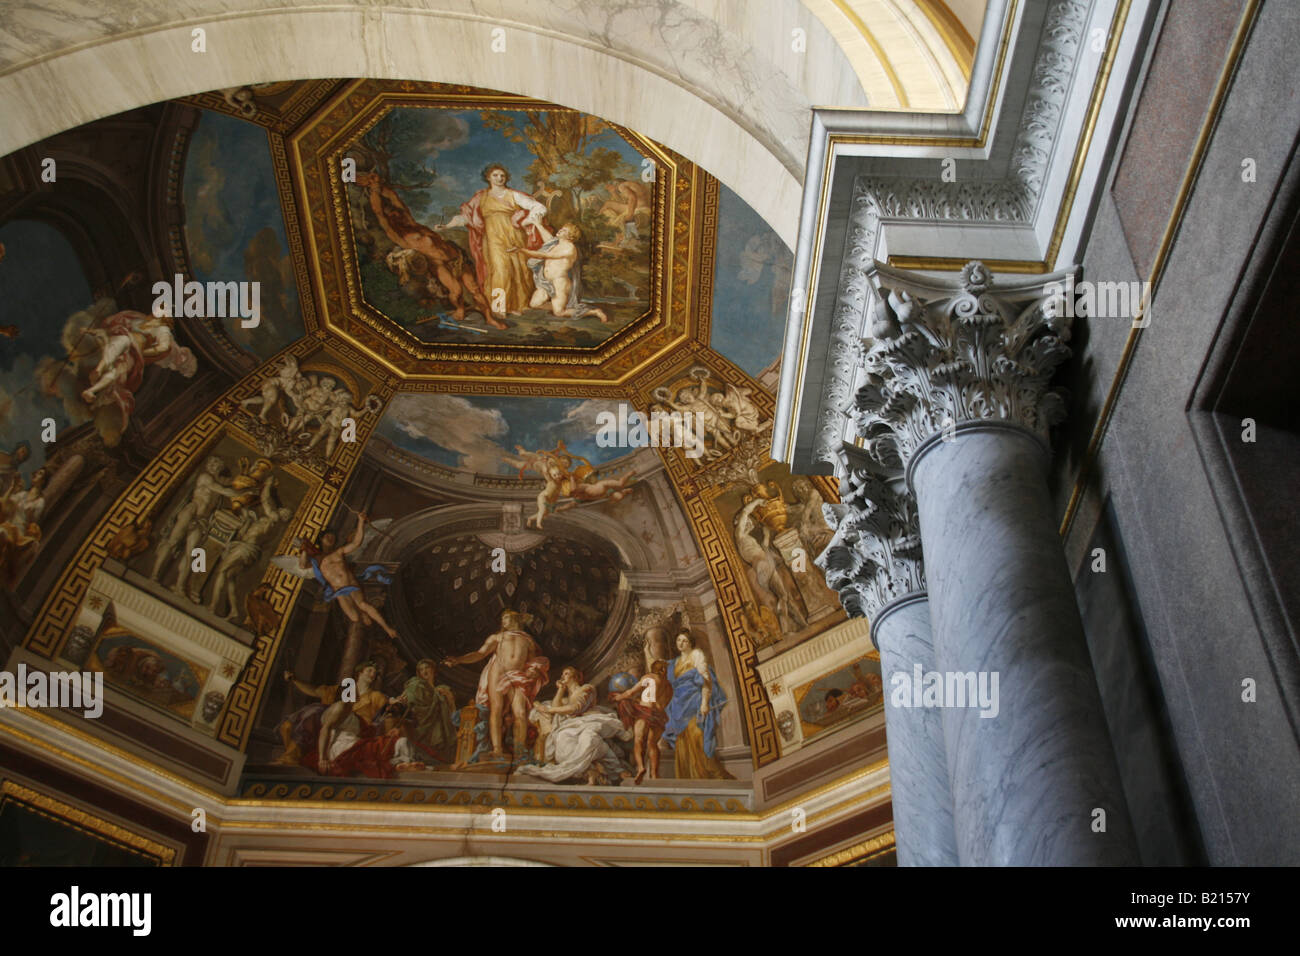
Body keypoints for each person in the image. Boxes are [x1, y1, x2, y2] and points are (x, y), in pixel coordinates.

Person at [358, 171, 502, 328]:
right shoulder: (399, 237)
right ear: (391, 222)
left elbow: (395, 200)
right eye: (394, 216)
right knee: (457, 291)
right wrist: (374, 191)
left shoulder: (413, 224)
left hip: (456, 257)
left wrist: (378, 185)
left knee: (475, 289)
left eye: (399, 214)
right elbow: (379, 214)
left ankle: (489, 318)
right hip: (439, 265)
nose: (399, 216)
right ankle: (459, 308)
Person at [440, 164, 549, 316]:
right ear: (488, 178)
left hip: (514, 235)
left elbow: (539, 208)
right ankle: (498, 307)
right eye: (495, 175)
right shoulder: (481, 197)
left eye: (502, 175)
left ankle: (515, 306)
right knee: (500, 270)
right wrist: (448, 225)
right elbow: (466, 216)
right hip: (492, 237)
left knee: (519, 270)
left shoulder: (513, 195)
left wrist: (525, 222)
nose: (499, 178)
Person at [442, 610, 549, 759]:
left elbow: (532, 663)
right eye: (502, 618)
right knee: (496, 710)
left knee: (521, 712)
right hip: (498, 673)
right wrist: (459, 660)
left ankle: (519, 750)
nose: (503, 621)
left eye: (506, 617)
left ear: (515, 618)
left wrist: (534, 671)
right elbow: (480, 654)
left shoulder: (528, 640)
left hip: (517, 676)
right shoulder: (498, 637)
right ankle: (497, 749)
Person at [515, 667, 631, 785]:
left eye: (566, 673)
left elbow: (577, 708)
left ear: (575, 677)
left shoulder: (587, 688)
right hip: (573, 726)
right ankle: (590, 771)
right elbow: (557, 706)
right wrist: (560, 689)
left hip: (589, 720)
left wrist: (550, 709)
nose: (562, 676)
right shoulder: (567, 698)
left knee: (589, 737)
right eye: (562, 674)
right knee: (563, 738)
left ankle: (617, 770)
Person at [296, 513, 399, 638]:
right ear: (320, 540)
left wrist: (361, 521)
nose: (330, 538)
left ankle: (387, 629)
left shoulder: (339, 551)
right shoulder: (316, 561)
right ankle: (362, 615)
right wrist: (303, 550)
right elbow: (302, 565)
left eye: (332, 536)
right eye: (327, 536)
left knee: (364, 605)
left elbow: (356, 543)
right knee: (355, 617)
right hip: (339, 591)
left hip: (352, 583)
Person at [663, 630, 734, 779]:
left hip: (695, 700)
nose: (680, 644)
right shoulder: (674, 663)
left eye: (684, 641)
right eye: (678, 640)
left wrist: (704, 703)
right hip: (679, 705)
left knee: (698, 736)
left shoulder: (696, 654)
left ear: (690, 643)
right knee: (683, 741)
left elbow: (705, 679)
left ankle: (710, 774)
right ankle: (689, 777)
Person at [512, 222, 609, 322]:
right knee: (534, 304)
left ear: (570, 236)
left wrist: (521, 250)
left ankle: (594, 312)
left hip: (560, 283)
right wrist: (538, 224)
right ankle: (559, 306)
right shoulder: (555, 244)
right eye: (562, 229)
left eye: (564, 230)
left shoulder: (569, 248)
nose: (560, 230)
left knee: (559, 313)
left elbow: (543, 255)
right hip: (546, 283)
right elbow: (547, 238)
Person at [611, 659, 673, 783]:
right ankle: (655, 774)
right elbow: (663, 704)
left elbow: (630, 692)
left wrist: (619, 697)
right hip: (659, 716)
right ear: (663, 670)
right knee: (652, 744)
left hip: (645, 712)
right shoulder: (668, 686)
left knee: (638, 740)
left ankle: (640, 768)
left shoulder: (649, 677)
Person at [395, 659, 457, 763]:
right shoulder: (416, 686)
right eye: (421, 669)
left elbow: (452, 711)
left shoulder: (443, 689)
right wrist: (395, 700)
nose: (424, 671)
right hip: (421, 725)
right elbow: (403, 698)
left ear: (434, 671)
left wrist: (448, 696)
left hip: (442, 726)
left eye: (427, 668)